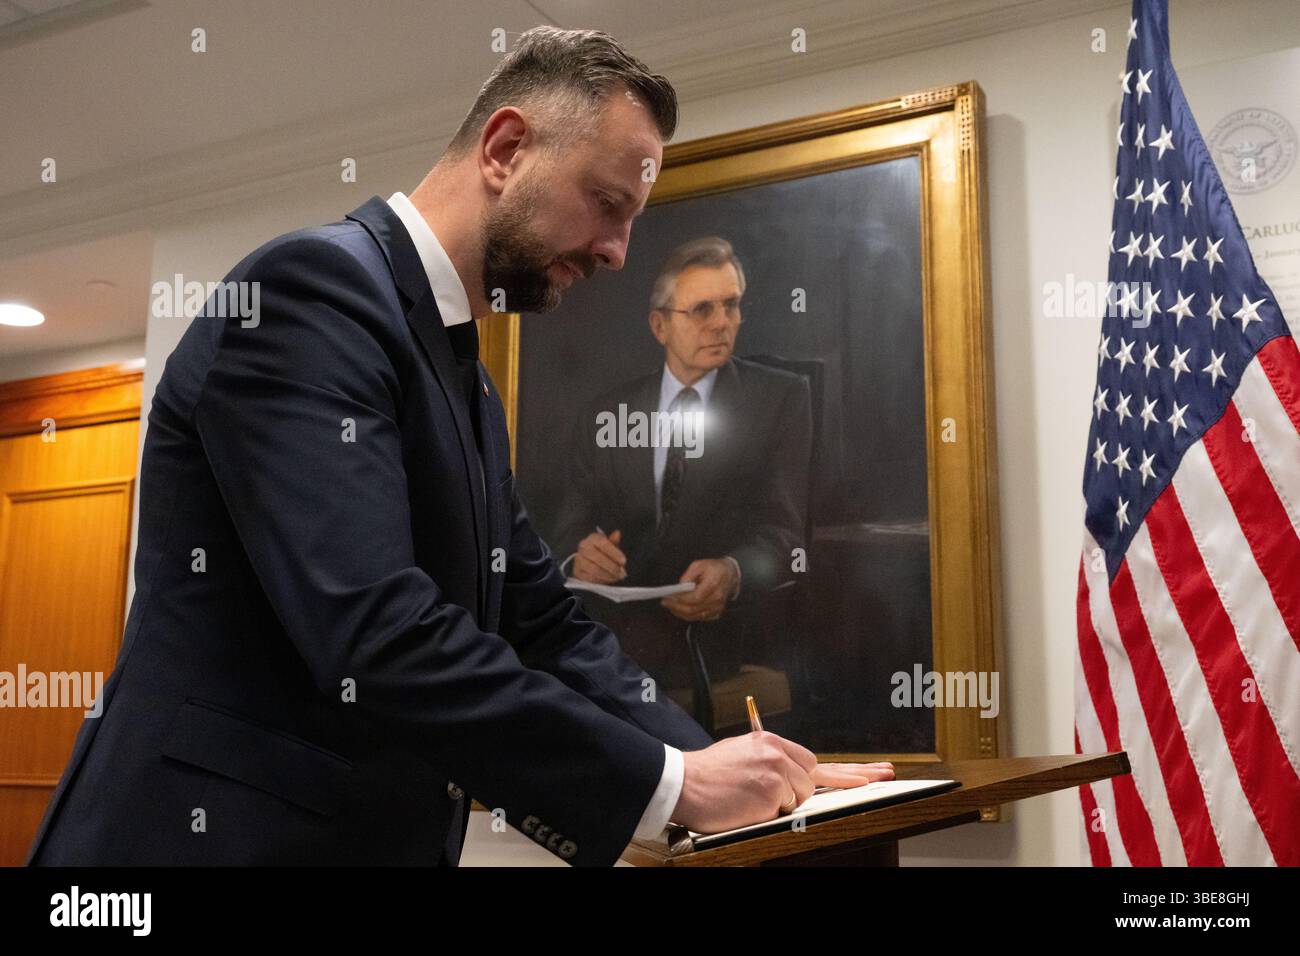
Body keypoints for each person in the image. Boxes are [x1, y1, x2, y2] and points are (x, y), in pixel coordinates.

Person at [26, 25, 892, 868]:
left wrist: (736, 774)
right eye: (606, 205)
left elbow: (543, 621)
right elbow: (377, 630)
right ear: (506, 148)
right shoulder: (309, 294)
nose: (619, 253)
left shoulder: (468, 380)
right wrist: (669, 787)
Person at [553, 237, 813, 698]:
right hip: (611, 647)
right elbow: (570, 519)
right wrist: (580, 555)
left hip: (723, 644)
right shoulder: (608, 411)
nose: (721, 324)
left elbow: (788, 535)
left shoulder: (780, 401)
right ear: (659, 326)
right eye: (702, 310)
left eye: (731, 306)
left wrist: (732, 572)